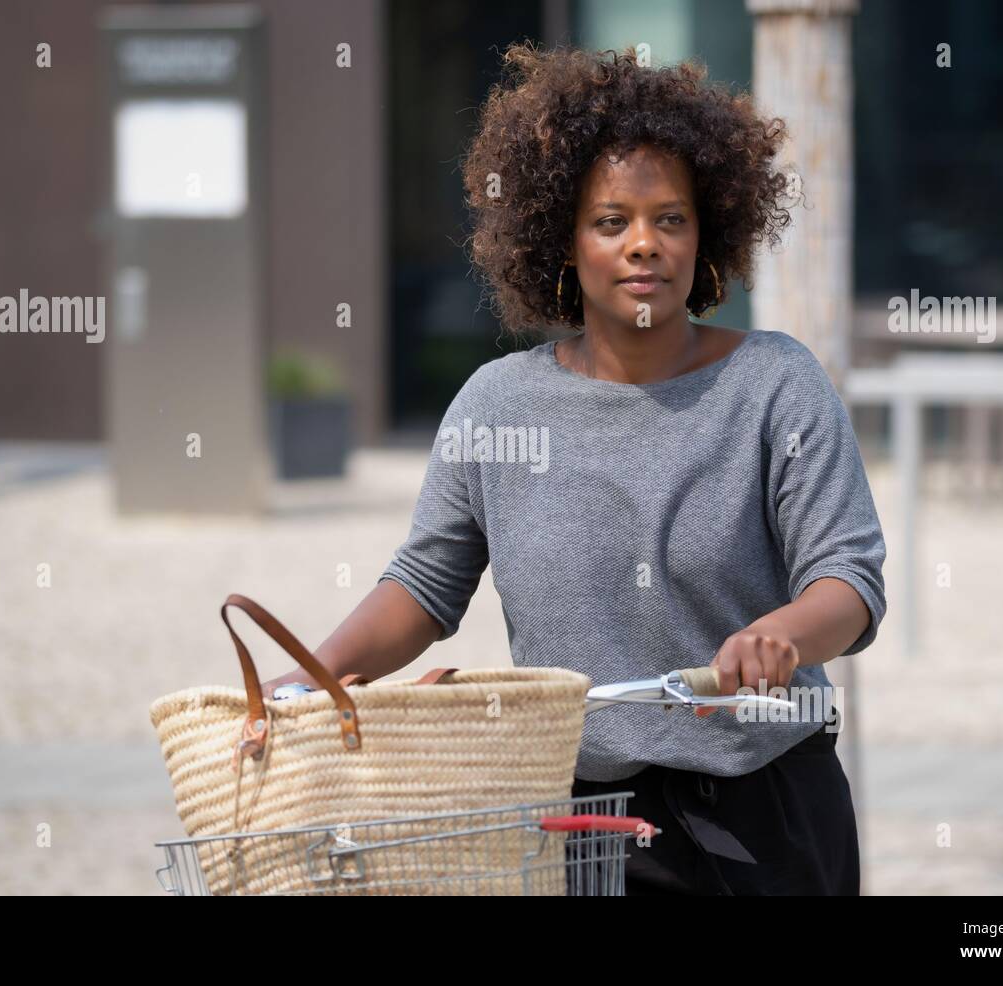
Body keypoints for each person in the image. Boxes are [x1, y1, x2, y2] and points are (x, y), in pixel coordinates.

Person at [263, 42, 886, 896]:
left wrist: (783, 633)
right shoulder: (496, 406)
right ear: (561, 239)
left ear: (707, 235)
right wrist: (312, 677)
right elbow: (423, 585)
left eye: (671, 218)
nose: (644, 245)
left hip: (767, 818)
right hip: (581, 824)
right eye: (611, 222)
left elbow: (849, 580)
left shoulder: (775, 384)